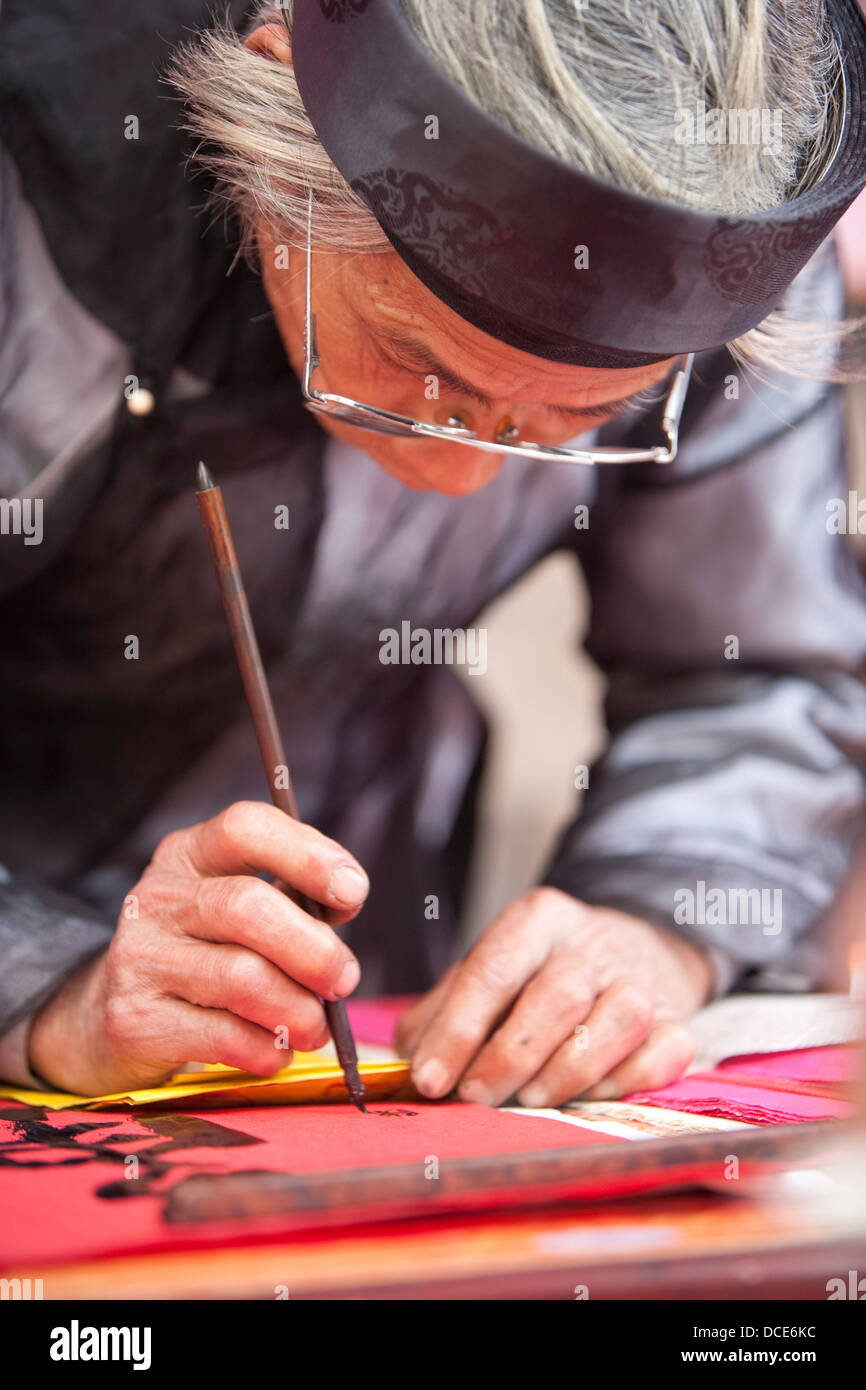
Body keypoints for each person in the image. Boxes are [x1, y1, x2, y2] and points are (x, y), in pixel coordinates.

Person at [1, 0, 865, 1108]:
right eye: (417, 365)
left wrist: (657, 926)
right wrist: (47, 985)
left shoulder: (736, 202)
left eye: (573, 417)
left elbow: (757, 672)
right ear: (273, 109)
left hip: (337, 1024)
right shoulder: (39, 170)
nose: (462, 477)